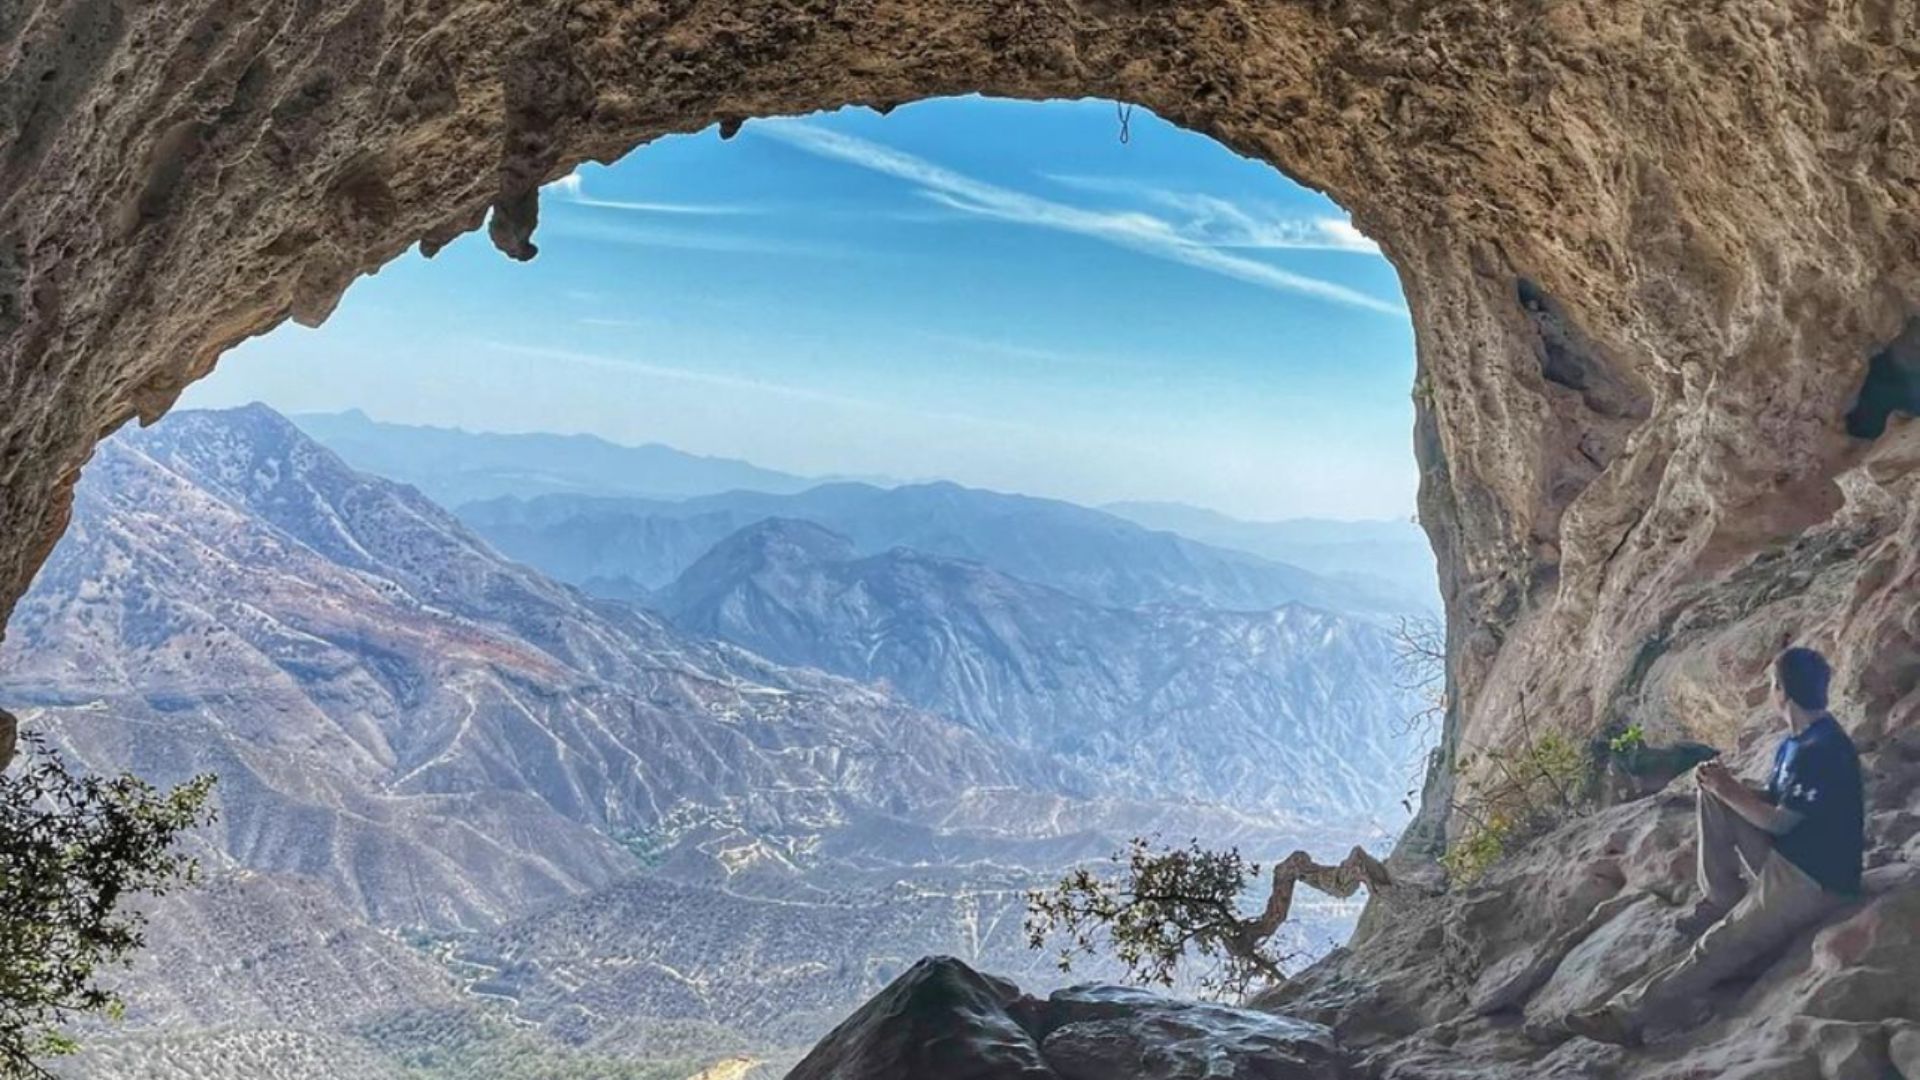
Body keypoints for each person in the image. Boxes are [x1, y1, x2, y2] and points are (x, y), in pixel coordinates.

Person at [1565, 646, 1865, 1046]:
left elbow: (1779, 821)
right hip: (1789, 855)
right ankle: (1723, 897)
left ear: (1783, 691)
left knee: (1718, 944)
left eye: (1772, 684)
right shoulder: (1796, 743)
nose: (1770, 691)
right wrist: (1722, 786)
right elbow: (1778, 803)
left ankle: (1625, 1016)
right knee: (1713, 794)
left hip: (1814, 878)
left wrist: (1730, 789)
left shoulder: (1823, 749)